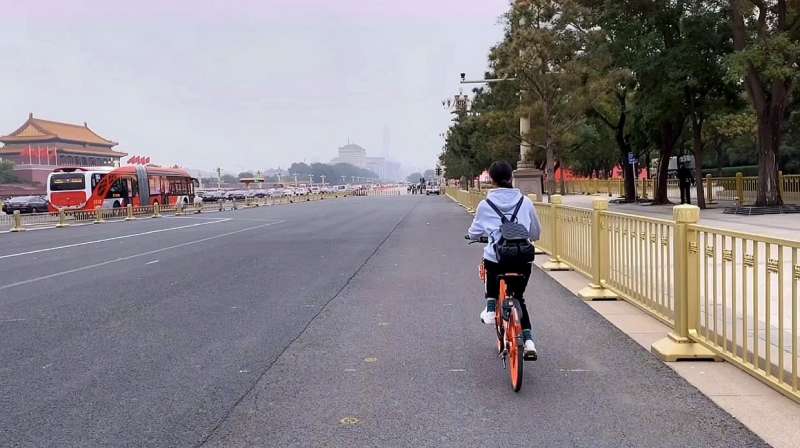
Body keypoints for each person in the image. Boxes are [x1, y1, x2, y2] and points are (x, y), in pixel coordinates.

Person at [467, 161, 541, 360]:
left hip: (498, 259)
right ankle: (529, 341)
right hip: (523, 259)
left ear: (491, 180)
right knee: (518, 298)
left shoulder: (485, 205)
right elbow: (535, 232)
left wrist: (474, 236)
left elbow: (474, 232)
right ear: (511, 178)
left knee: (489, 260)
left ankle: (491, 308)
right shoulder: (526, 202)